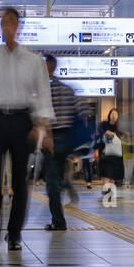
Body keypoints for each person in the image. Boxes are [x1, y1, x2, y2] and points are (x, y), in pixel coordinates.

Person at [0, 7, 54, 250]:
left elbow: (42, 94)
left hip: (22, 121)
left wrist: (41, 126)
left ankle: (15, 233)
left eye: (11, 23)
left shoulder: (32, 60)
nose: (7, 27)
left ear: (18, 27)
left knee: (20, 180)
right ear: (0, 28)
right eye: (3, 24)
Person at [43, 54, 92, 231]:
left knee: (52, 180)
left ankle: (59, 220)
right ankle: (67, 191)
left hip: (52, 138)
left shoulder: (44, 90)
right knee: (63, 174)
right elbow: (84, 111)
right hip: (68, 139)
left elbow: (42, 116)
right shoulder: (67, 89)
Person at [97, 108, 127, 194]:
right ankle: (106, 190)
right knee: (106, 174)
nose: (113, 115)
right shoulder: (104, 124)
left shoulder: (120, 127)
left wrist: (115, 134)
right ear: (109, 115)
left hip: (116, 154)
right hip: (104, 153)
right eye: (112, 113)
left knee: (113, 176)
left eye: (116, 114)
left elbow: (124, 137)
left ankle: (110, 192)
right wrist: (106, 132)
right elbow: (99, 133)